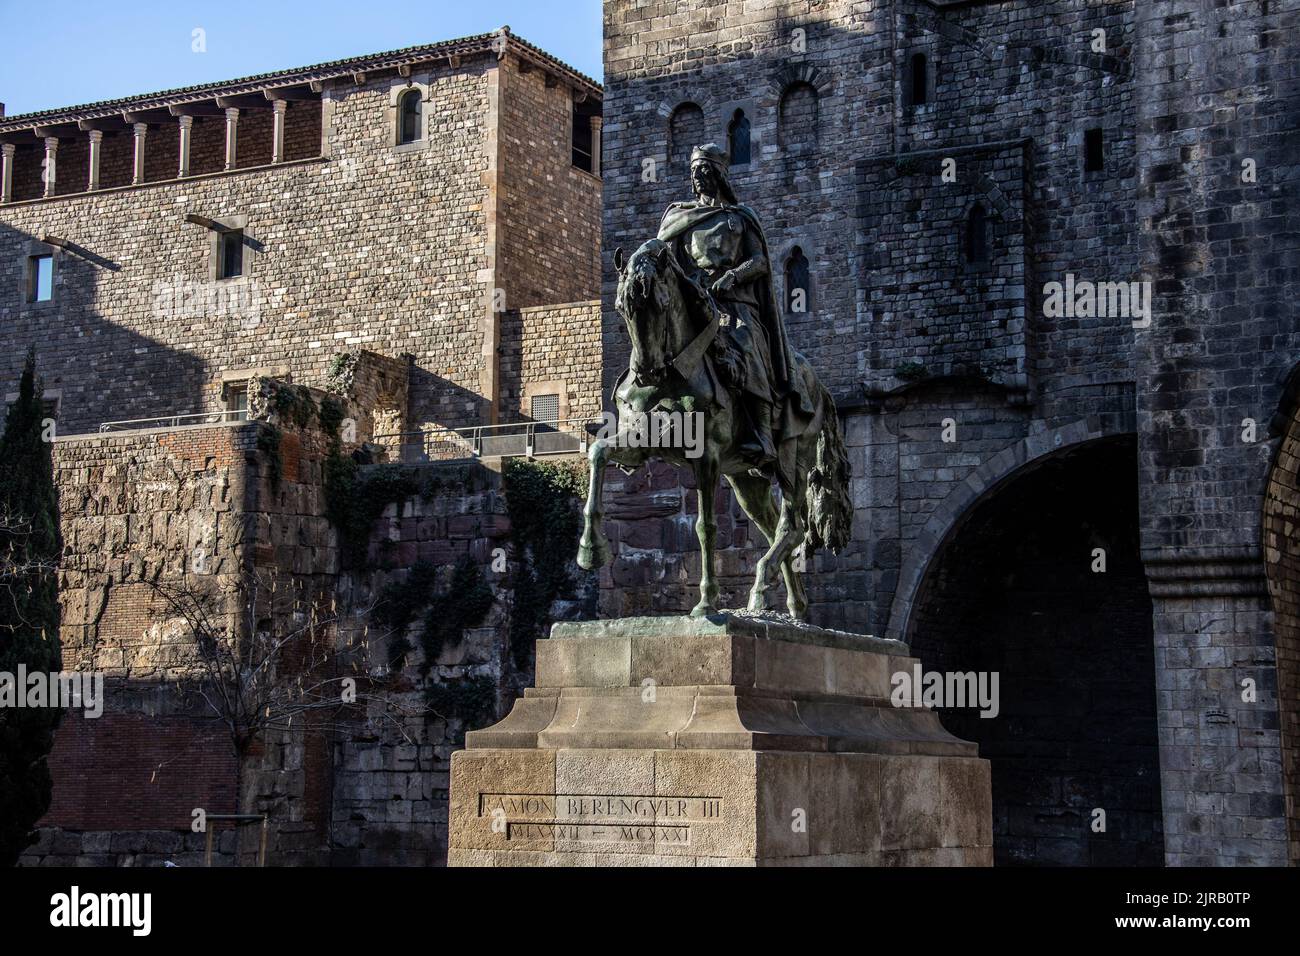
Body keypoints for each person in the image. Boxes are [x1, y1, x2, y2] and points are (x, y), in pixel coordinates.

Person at [657, 144, 806, 470]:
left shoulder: (739, 218)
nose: (697, 177)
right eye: (694, 171)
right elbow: (667, 262)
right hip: (696, 302)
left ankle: (763, 434)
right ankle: (654, 421)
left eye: (704, 170)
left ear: (719, 175)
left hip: (735, 304)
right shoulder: (680, 218)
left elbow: (761, 261)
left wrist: (733, 277)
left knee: (746, 343)